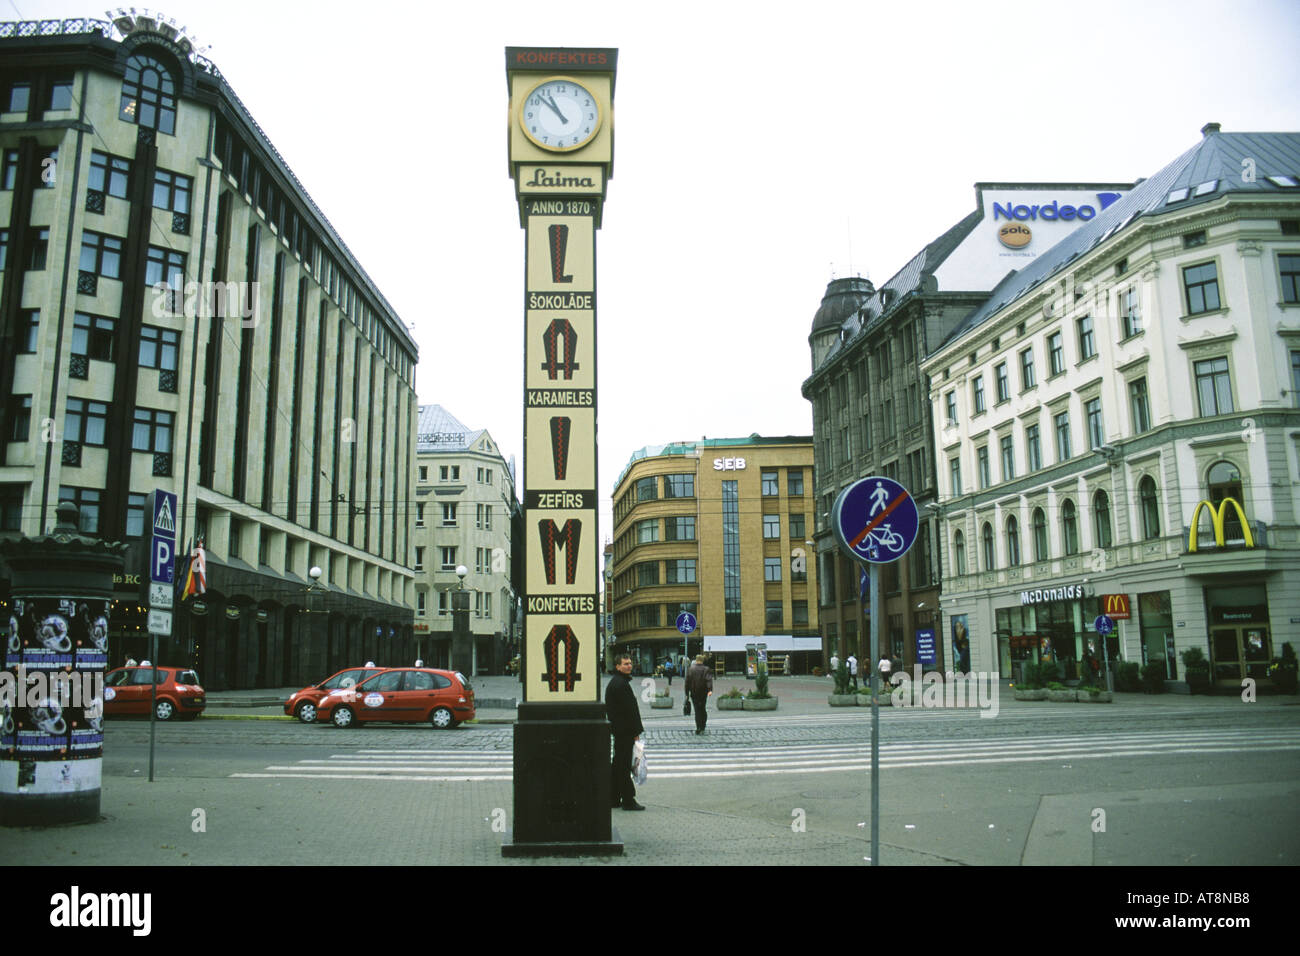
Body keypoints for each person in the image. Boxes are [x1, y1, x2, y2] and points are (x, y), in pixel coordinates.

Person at [605, 653, 645, 811]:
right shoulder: (621, 684)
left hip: (620, 730)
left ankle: (613, 798)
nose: (629, 666)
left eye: (630, 663)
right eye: (625, 664)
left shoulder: (617, 682)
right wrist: (636, 732)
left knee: (618, 765)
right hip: (625, 732)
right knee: (623, 766)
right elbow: (630, 712)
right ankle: (628, 800)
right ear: (617, 666)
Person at [685, 654, 714, 735]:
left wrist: (686, 693)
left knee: (697, 710)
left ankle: (698, 727)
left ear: (696, 660)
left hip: (694, 693)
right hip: (703, 692)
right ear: (702, 660)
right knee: (702, 708)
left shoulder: (690, 669)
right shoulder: (706, 669)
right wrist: (710, 690)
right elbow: (708, 680)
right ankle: (703, 725)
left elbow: (687, 682)